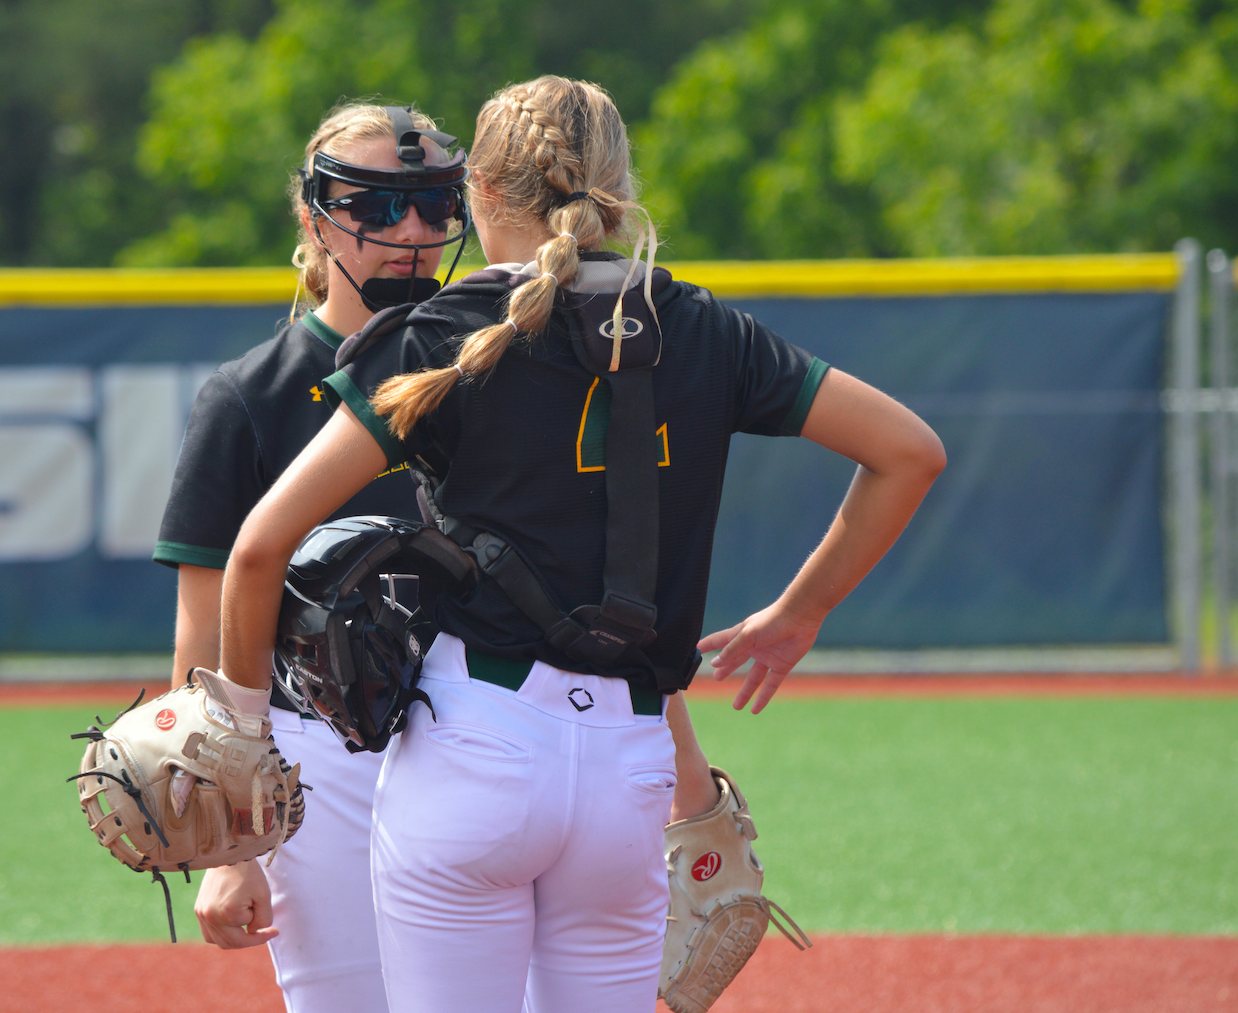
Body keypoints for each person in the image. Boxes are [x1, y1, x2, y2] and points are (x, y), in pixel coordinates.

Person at [215, 76, 946, 1013]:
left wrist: (235, 745)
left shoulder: (438, 335)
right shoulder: (702, 327)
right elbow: (909, 453)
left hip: (470, 749)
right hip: (628, 768)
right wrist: (799, 612)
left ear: (476, 191)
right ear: (619, 185)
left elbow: (257, 548)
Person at [152, 102, 469, 1013]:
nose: (410, 232)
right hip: (315, 759)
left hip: (493, 741)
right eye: (374, 206)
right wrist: (229, 842)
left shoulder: (492, 369)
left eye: (433, 205)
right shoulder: (252, 395)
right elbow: (202, 637)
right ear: (314, 215)